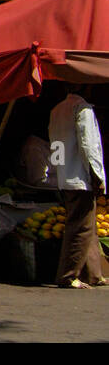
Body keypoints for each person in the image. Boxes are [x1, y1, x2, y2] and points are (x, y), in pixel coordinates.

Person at [48, 86, 108, 288]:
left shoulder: (57, 110)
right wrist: (97, 176)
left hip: (66, 174)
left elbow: (55, 143)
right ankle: (68, 275)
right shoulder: (82, 109)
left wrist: (59, 171)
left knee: (88, 226)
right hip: (80, 177)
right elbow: (89, 145)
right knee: (80, 228)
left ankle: (94, 274)